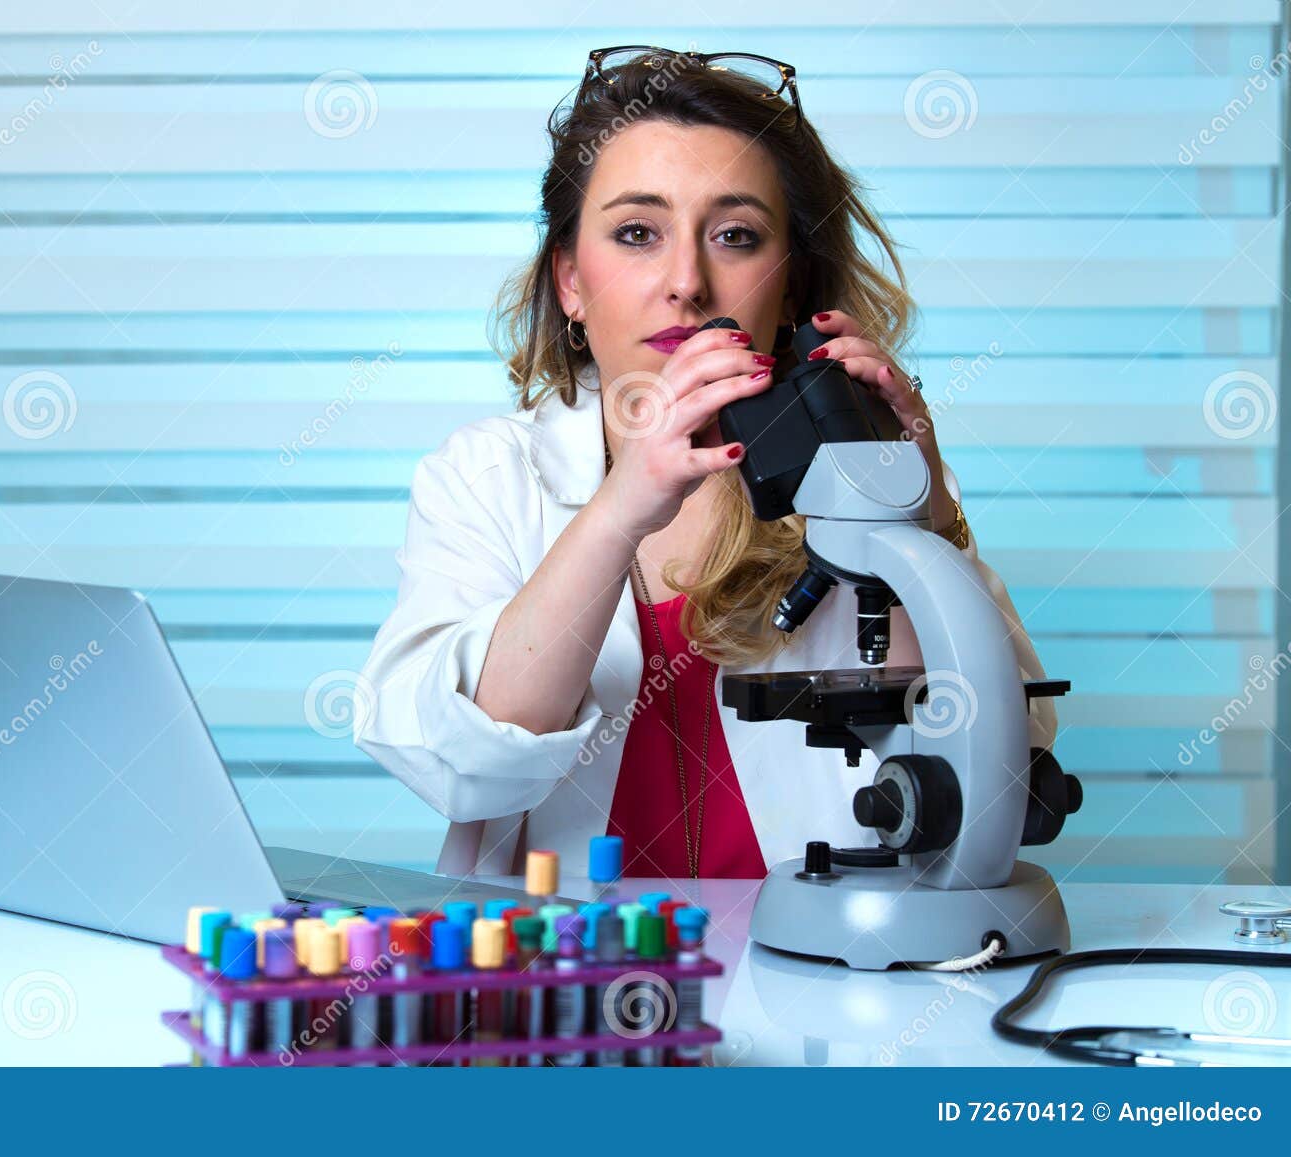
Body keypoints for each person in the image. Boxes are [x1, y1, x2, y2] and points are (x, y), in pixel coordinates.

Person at [351, 48, 1055, 880]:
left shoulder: (860, 467)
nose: (688, 281)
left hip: (822, 976)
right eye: (638, 233)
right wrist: (622, 507)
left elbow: (997, 764)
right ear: (572, 282)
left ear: (791, 292)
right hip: (570, 977)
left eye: (736, 236)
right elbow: (460, 764)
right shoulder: (484, 477)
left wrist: (920, 511)